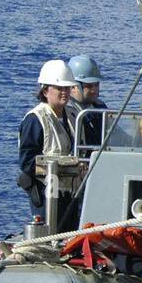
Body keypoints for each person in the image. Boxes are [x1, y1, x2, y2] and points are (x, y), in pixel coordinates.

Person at [18, 59, 78, 214]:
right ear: (45, 91)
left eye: (67, 87)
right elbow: (27, 162)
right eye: (59, 88)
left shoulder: (73, 115)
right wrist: (64, 165)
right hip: (47, 193)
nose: (64, 92)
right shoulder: (35, 119)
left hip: (70, 193)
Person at [65, 54, 107, 152]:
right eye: (88, 86)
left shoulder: (100, 107)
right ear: (73, 86)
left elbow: (115, 133)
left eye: (96, 85)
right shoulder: (66, 113)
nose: (94, 90)